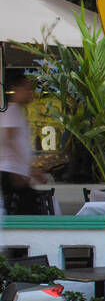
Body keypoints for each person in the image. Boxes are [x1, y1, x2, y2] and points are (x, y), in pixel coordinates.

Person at [0, 74, 49, 214]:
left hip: (15, 171)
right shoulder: (11, 110)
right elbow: (8, 140)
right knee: (27, 211)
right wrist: (29, 169)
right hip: (12, 172)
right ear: (16, 89)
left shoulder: (16, 111)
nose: (30, 92)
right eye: (27, 88)